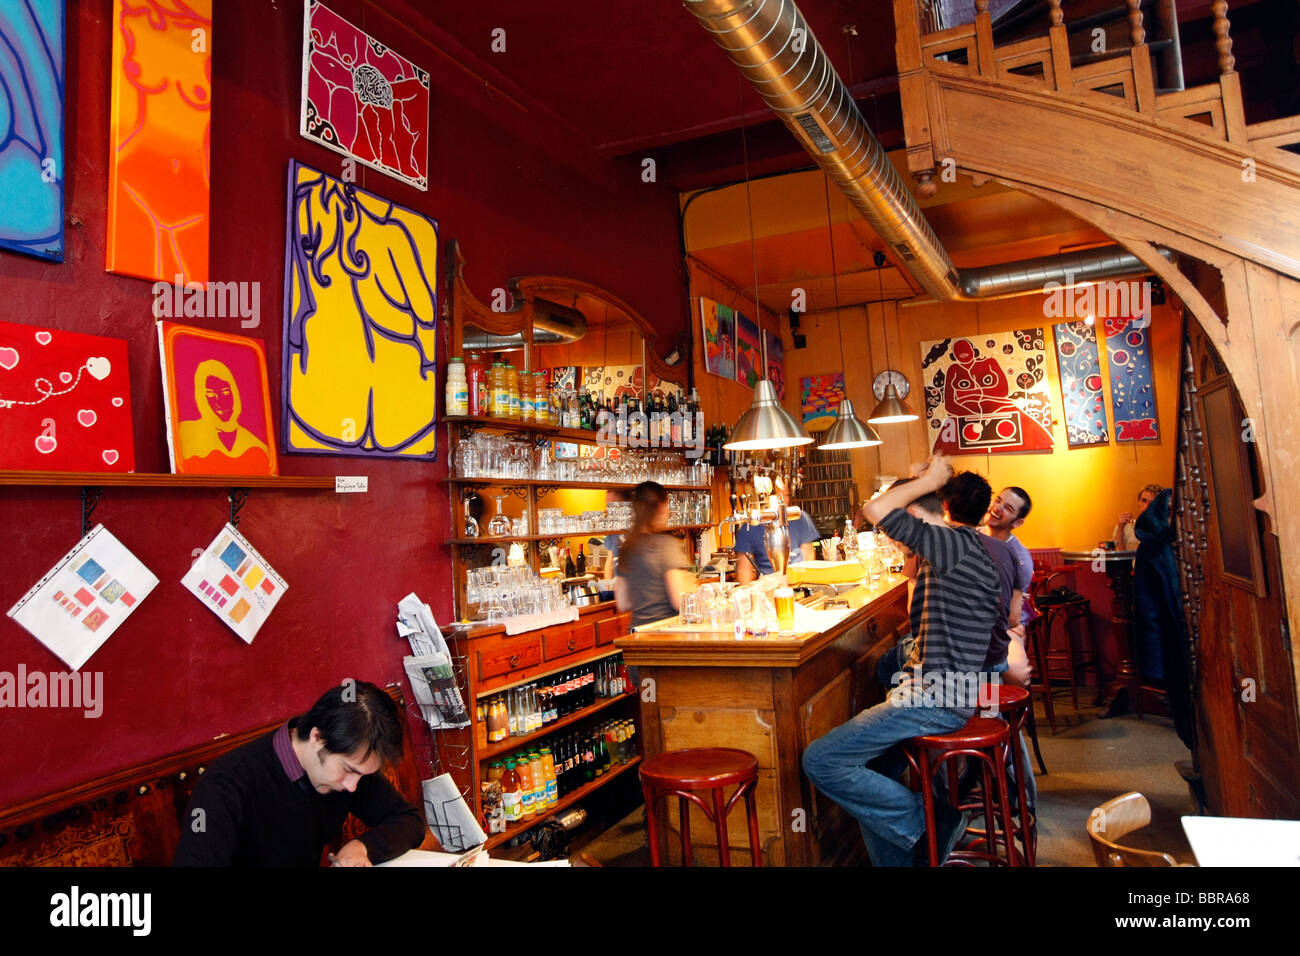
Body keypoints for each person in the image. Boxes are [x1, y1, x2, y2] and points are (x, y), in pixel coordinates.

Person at [802, 455, 1000, 866]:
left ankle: (929, 822)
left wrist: (928, 478)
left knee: (820, 759)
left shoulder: (949, 544)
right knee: (874, 772)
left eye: (896, 535)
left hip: (934, 700)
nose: (893, 541)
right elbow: (982, 641)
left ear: (912, 513)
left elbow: (875, 509)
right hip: (943, 694)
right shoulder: (966, 553)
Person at [173, 681, 430, 866]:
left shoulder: (351, 761)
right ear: (317, 738)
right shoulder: (224, 787)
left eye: (361, 776)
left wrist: (362, 847)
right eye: (348, 771)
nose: (353, 787)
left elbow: (409, 820)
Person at [613, 481, 698, 628]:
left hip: (638, 635)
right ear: (660, 507)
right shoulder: (667, 545)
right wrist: (691, 584)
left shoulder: (627, 547)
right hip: (666, 635)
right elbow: (679, 601)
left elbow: (623, 603)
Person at [177, 359, 273, 474]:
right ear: (201, 397)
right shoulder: (184, 432)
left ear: (235, 393)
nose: (220, 402)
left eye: (226, 392)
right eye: (211, 394)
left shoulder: (258, 448)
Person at [733, 476, 818, 582]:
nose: (783, 500)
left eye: (786, 495)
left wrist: (807, 582)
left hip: (799, 583)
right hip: (769, 586)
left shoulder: (799, 517)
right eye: (779, 495)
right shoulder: (750, 526)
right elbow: (744, 570)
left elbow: (808, 555)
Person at [1113, 483, 1162, 551]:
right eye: (1144, 501)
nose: (1147, 506)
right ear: (1138, 502)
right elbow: (1119, 555)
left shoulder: (1166, 526)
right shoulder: (1126, 526)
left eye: (1152, 503)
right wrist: (1120, 528)